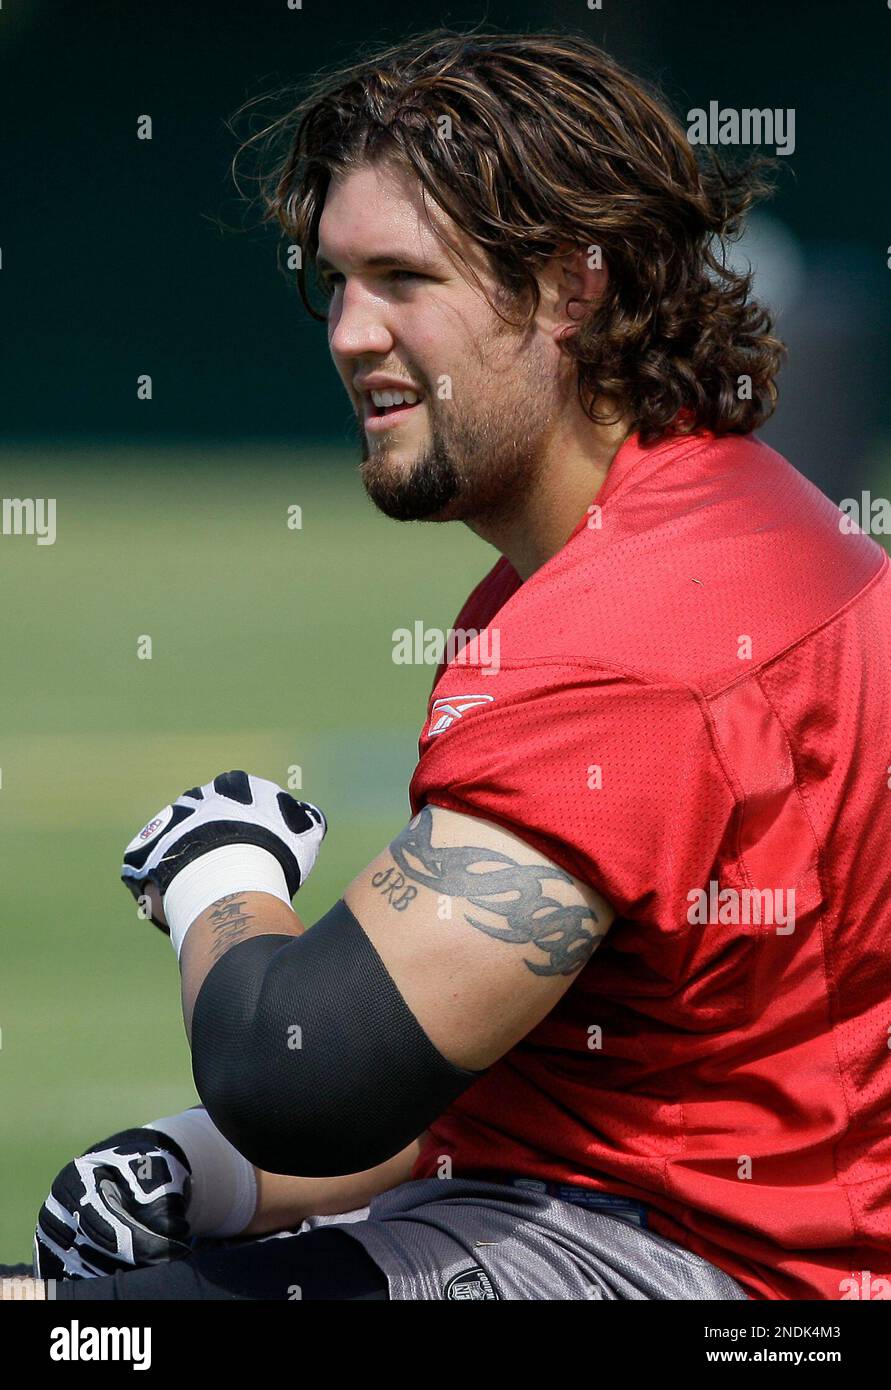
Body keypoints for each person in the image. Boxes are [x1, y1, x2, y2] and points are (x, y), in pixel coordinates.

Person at [5, 28, 889, 1303]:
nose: (352, 334)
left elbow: (297, 1072)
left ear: (572, 290)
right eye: (338, 282)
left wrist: (217, 876)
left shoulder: (633, 637)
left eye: (405, 279)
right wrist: (201, 1172)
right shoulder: (710, 520)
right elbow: (509, 1070)